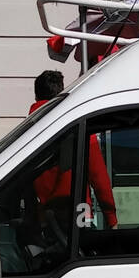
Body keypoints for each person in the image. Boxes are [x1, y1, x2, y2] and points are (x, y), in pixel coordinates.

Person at [29, 71, 116, 228]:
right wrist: (111, 217)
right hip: (79, 213)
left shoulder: (26, 132)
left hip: (43, 217)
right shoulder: (76, 125)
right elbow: (98, 177)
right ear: (61, 94)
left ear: (36, 96)